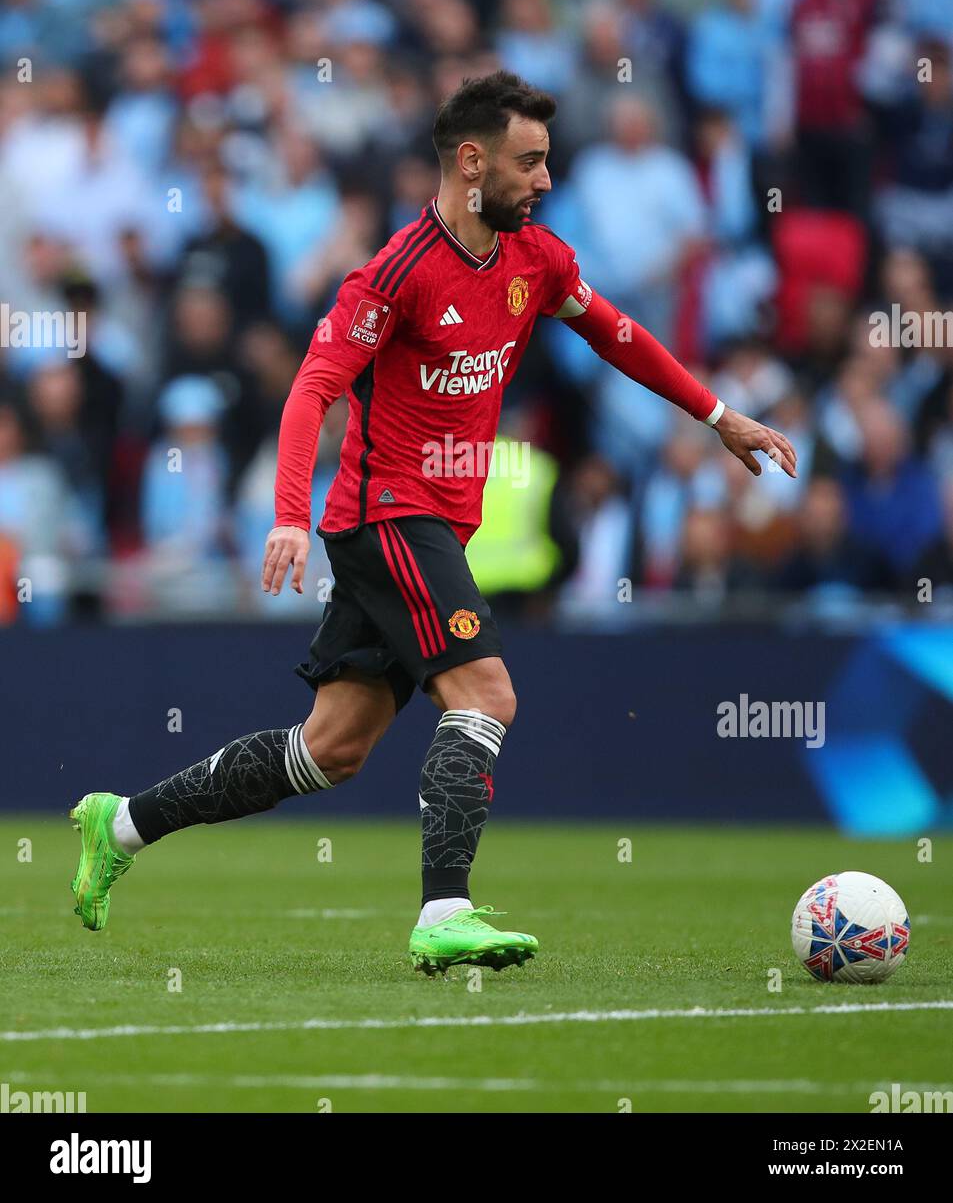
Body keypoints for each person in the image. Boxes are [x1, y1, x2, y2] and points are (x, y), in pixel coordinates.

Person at [69, 71, 796, 974]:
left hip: (433, 528)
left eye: (546, 161)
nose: (544, 179)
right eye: (528, 162)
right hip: (384, 516)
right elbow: (312, 390)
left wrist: (716, 413)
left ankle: (122, 823)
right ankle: (443, 910)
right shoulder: (395, 273)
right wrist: (287, 515)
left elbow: (615, 333)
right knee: (487, 695)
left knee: (330, 747)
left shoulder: (539, 260)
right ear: (469, 161)